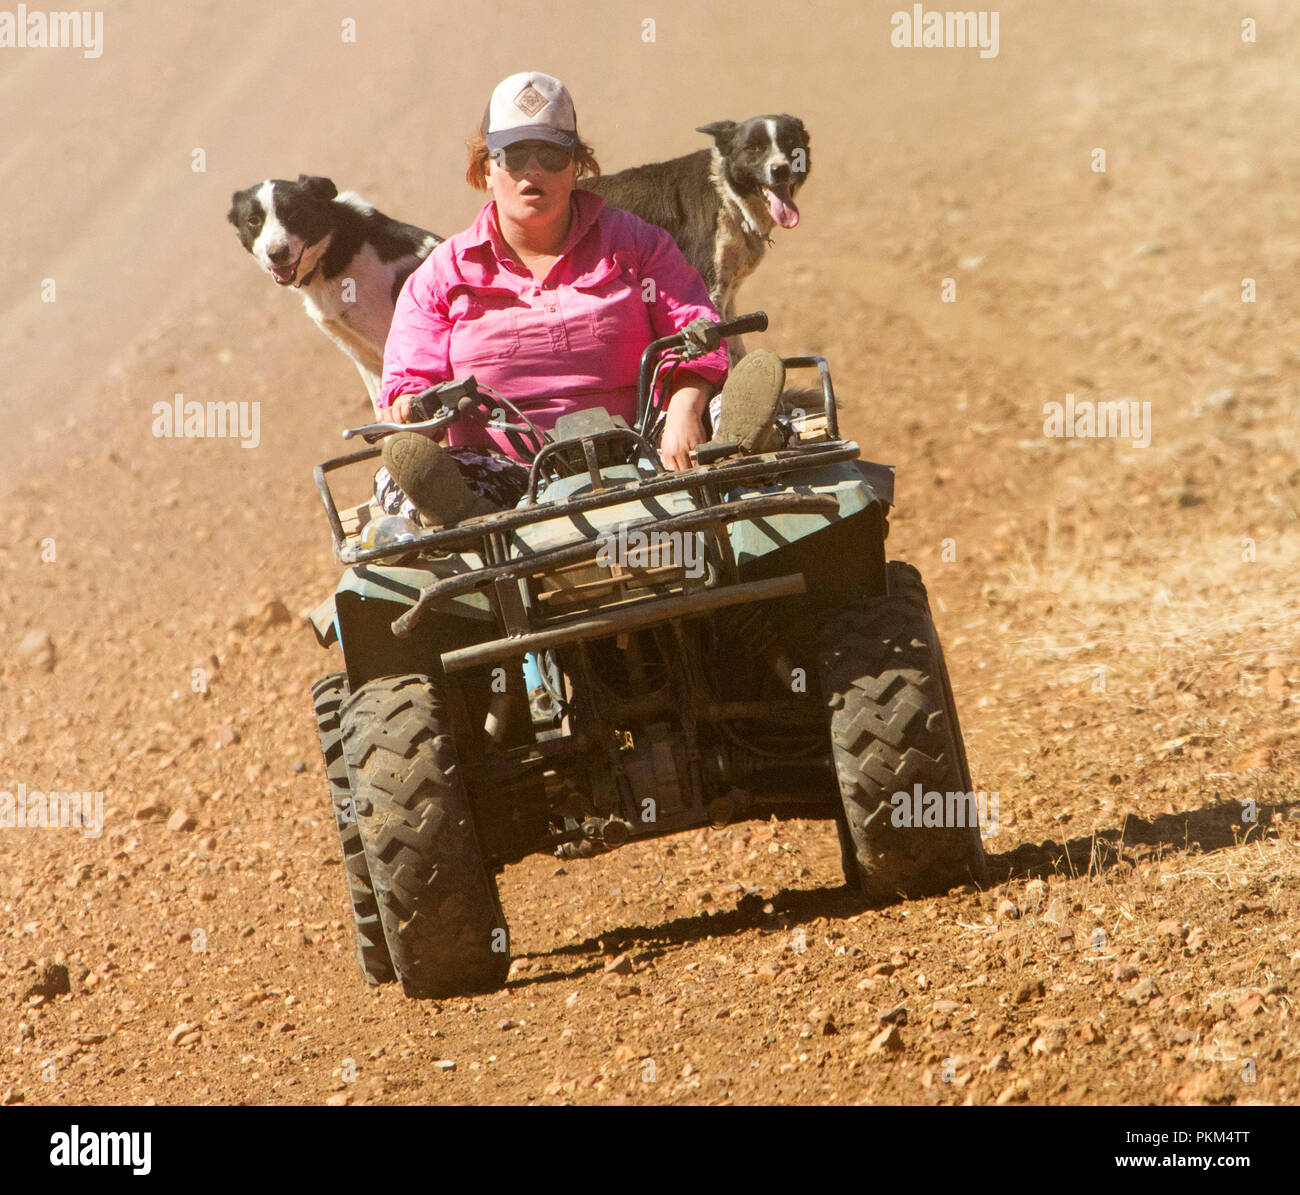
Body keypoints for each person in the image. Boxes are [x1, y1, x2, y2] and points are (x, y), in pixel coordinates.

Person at [374, 71, 789, 526]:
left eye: (551, 155)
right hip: (507, 479)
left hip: (647, 450)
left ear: (576, 167)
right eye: (515, 155)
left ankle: (738, 451)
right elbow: (408, 384)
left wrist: (683, 411)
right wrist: (412, 408)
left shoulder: (636, 243)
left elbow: (695, 330)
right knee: (396, 478)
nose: (533, 170)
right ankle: (477, 525)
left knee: (754, 415)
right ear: (487, 168)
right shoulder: (442, 273)